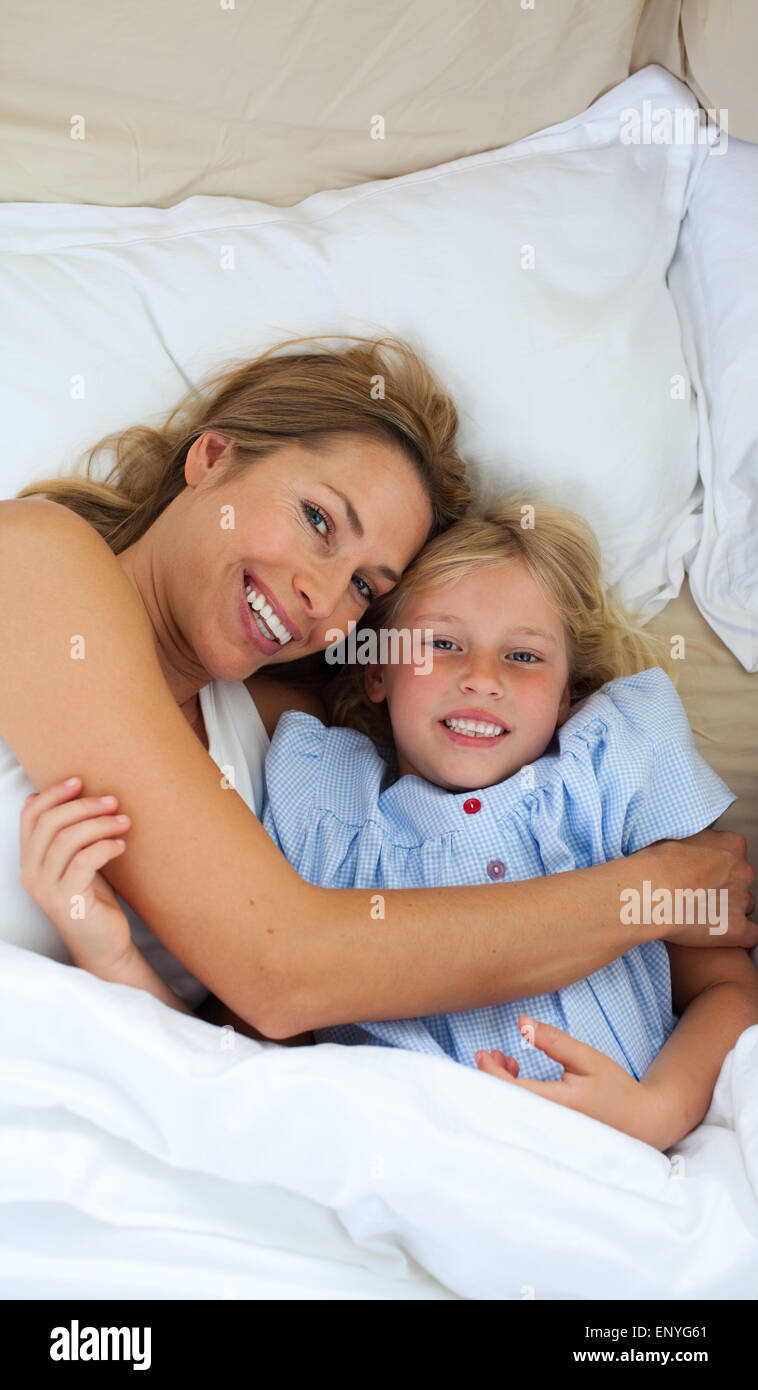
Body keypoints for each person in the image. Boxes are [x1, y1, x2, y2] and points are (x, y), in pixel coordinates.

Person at [3, 338, 754, 1050]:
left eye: (364, 586)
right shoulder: (35, 559)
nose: (321, 598)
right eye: (318, 520)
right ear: (213, 456)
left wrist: (115, 960)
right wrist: (649, 893)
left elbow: (231, 1051)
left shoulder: (284, 743)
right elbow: (287, 966)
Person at [17, 500, 758, 1149]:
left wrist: (657, 1111)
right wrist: (112, 956)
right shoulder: (327, 809)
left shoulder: (607, 773)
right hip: (412, 1173)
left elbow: (727, 985)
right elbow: (236, 1068)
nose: (482, 677)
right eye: (441, 644)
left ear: (569, 698)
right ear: (377, 673)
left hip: (628, 1163)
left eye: (525, 656)